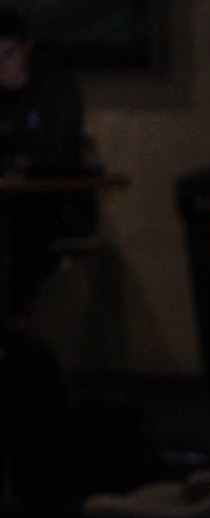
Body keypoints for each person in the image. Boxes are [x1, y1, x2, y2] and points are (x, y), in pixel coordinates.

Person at [0, 6, 91, 315]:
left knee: (15, 235)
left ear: (25, 50)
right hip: (11, 203)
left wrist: (23, 162)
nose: (1, 66)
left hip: (47, 206)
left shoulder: (53, 92)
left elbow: (63, 152)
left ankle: (15, 330)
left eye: (7, 54)